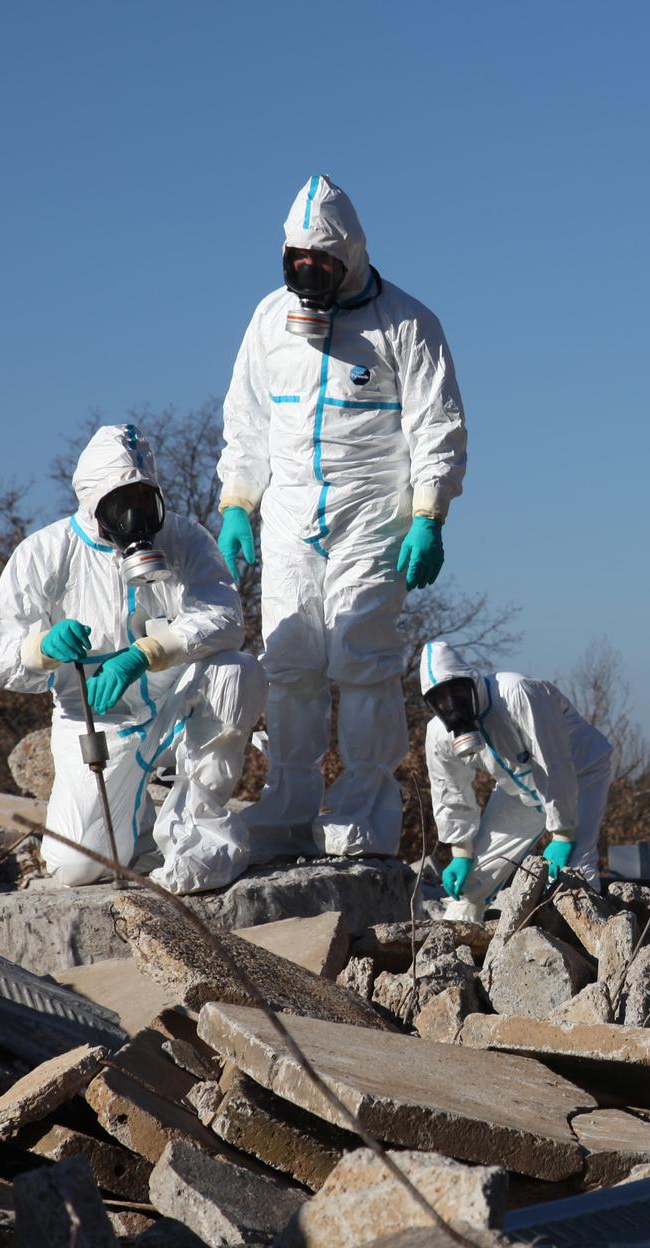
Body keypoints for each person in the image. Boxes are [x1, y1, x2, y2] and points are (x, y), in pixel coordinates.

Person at [216, 175, 468, 860]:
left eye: (319, 263)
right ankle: (290, 804)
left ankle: (363, 811)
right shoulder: (271, 321)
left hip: (372, 520)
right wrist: (238, 503)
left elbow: (437, 427)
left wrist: (430, 515)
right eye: (295, 261)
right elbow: (246, 421)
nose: (306, 274)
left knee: (361, 659)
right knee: (290, 660)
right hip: (290, 517)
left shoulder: (408, 325)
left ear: (351, 256)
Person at [0, 425, 267, 892]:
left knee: (236, 672)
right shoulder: (45, 553)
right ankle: (141, 832)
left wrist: (144, 654)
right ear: (92, 504)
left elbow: (224, 616)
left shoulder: (184, 539)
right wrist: (41, 648)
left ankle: (201, 829)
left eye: (142, 500)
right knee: (78, 866)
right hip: (96, 719)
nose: (134, 516)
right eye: (118, 503)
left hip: (176, 699)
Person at [418, 642, 613, 921]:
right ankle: (459, 947)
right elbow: (450, 793)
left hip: (580, 771)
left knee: (574, 871)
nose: (451, 705)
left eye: (457, 692)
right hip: (518, 788)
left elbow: (553, 762)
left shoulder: (516, 693)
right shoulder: (438, 735)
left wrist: (563, 835)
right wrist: (461, 852)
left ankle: (586, 953)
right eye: (439, 700)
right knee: (471, 884)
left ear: (472, 681)